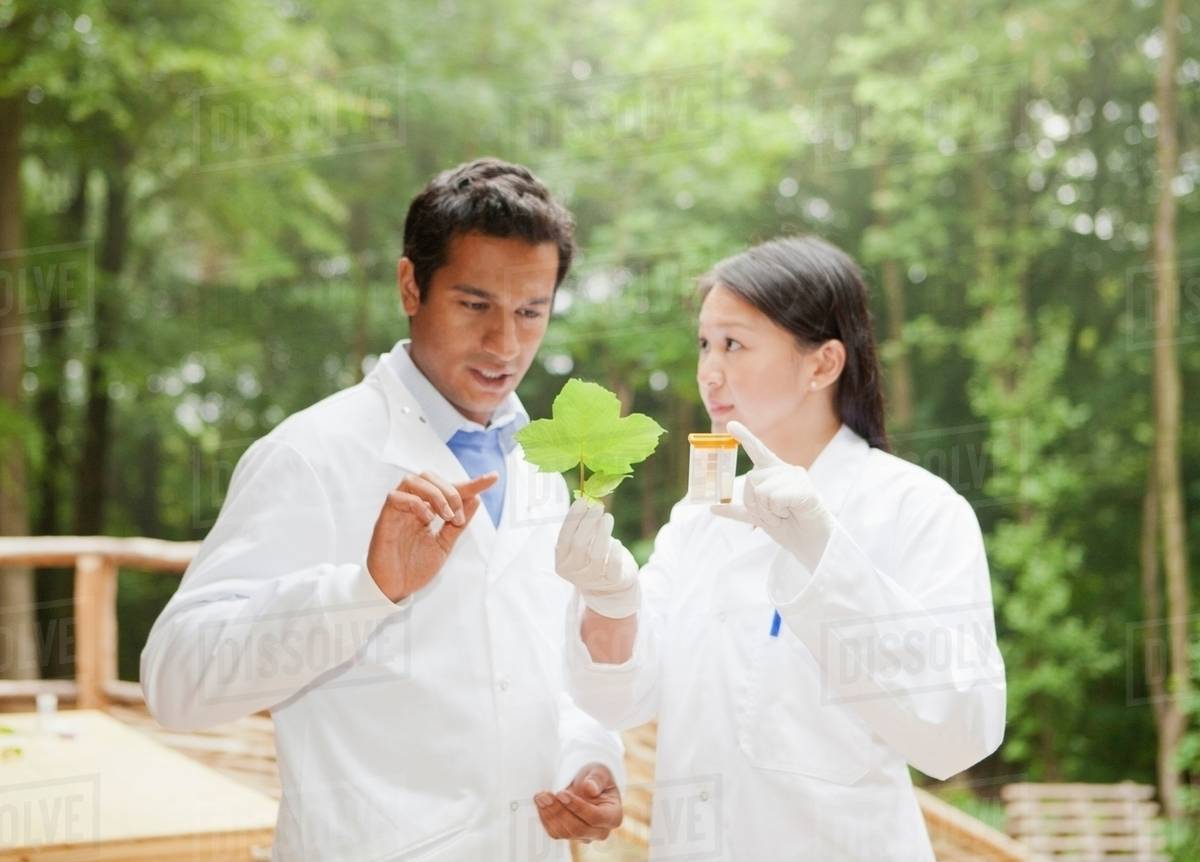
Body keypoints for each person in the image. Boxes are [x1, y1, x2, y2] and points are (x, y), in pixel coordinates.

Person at [141, 158, 624, 861]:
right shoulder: (310, 454)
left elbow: (551, 669)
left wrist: (587, 761)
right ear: (410, 286)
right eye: (474, 304)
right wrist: (365, 591)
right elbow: (175, 683)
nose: (506, 345)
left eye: (530, 312)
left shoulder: (545, 465)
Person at [553, 236, 1007, 860]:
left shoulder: (915, 509)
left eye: (734, 344)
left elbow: (959, 732)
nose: (709, 371)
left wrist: (824, 557)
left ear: (821, 365)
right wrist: (610, 600)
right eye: (705, 345)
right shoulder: (699, 520)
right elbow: (621, 697)